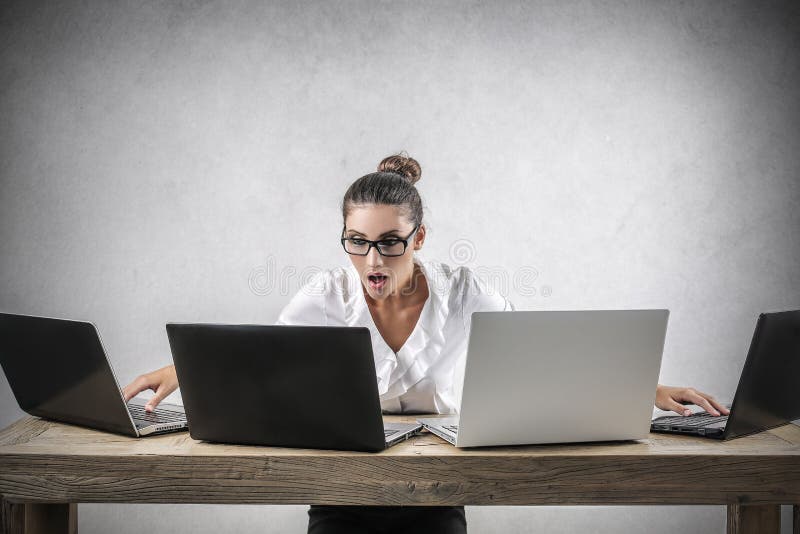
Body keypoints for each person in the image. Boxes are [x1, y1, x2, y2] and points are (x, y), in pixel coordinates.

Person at [122, 152, 730, 533]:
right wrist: (177, 370)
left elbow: (544, 355)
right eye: (356, 241)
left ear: (419, 238)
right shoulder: (325, 294)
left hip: (438, 496)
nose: (372, 257)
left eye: (390, 241)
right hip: (340, 496)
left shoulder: (465, 292)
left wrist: (649, 390)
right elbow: (257, 361)